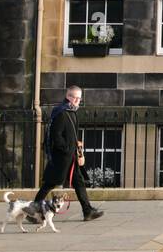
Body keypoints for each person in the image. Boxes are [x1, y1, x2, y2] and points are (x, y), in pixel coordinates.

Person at [26, 85, 104, 222]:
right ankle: (33, 214)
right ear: (68, 96)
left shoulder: (71, 112)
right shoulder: (61, 112)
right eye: (75, 97)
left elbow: (69, 134)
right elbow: (56, 137)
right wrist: (68, 149)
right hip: (61, 158)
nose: (77, 100)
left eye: (79, 98)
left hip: (70, 157)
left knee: (79, 182)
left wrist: (76, 144)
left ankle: (88, 211)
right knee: (49, 184)